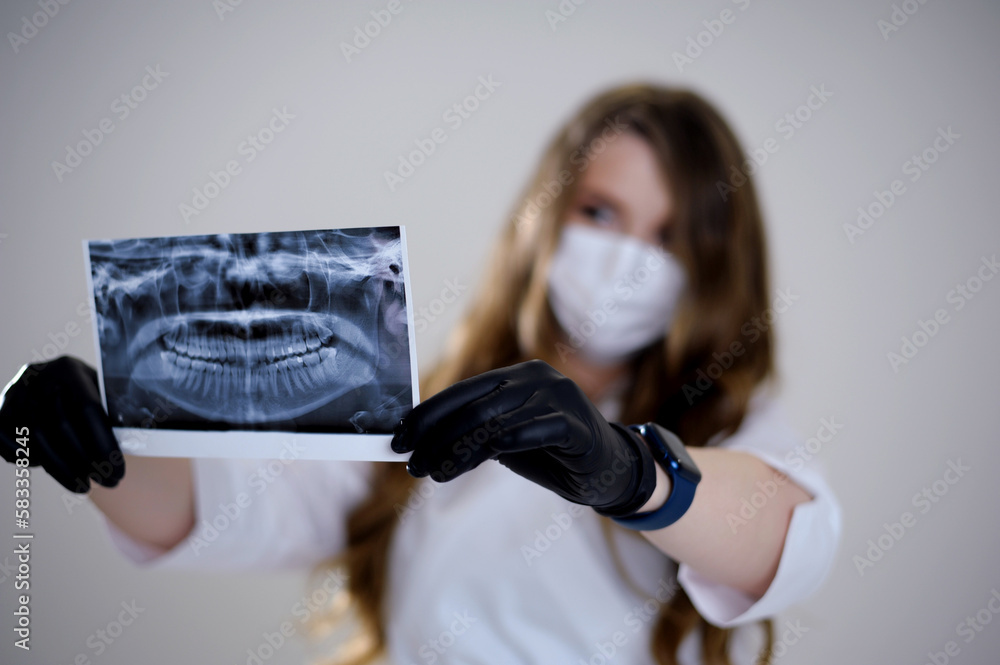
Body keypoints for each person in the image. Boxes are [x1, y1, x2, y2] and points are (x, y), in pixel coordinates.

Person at [0, 84, 840, 664]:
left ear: (711, 267)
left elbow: (792, 533)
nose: (627, 256)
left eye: (669, 236)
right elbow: (226, 507)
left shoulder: (728, 425)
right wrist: (95, 438)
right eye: (600, 212)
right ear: (542, 219)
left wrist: (629, 471)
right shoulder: (424, 409)